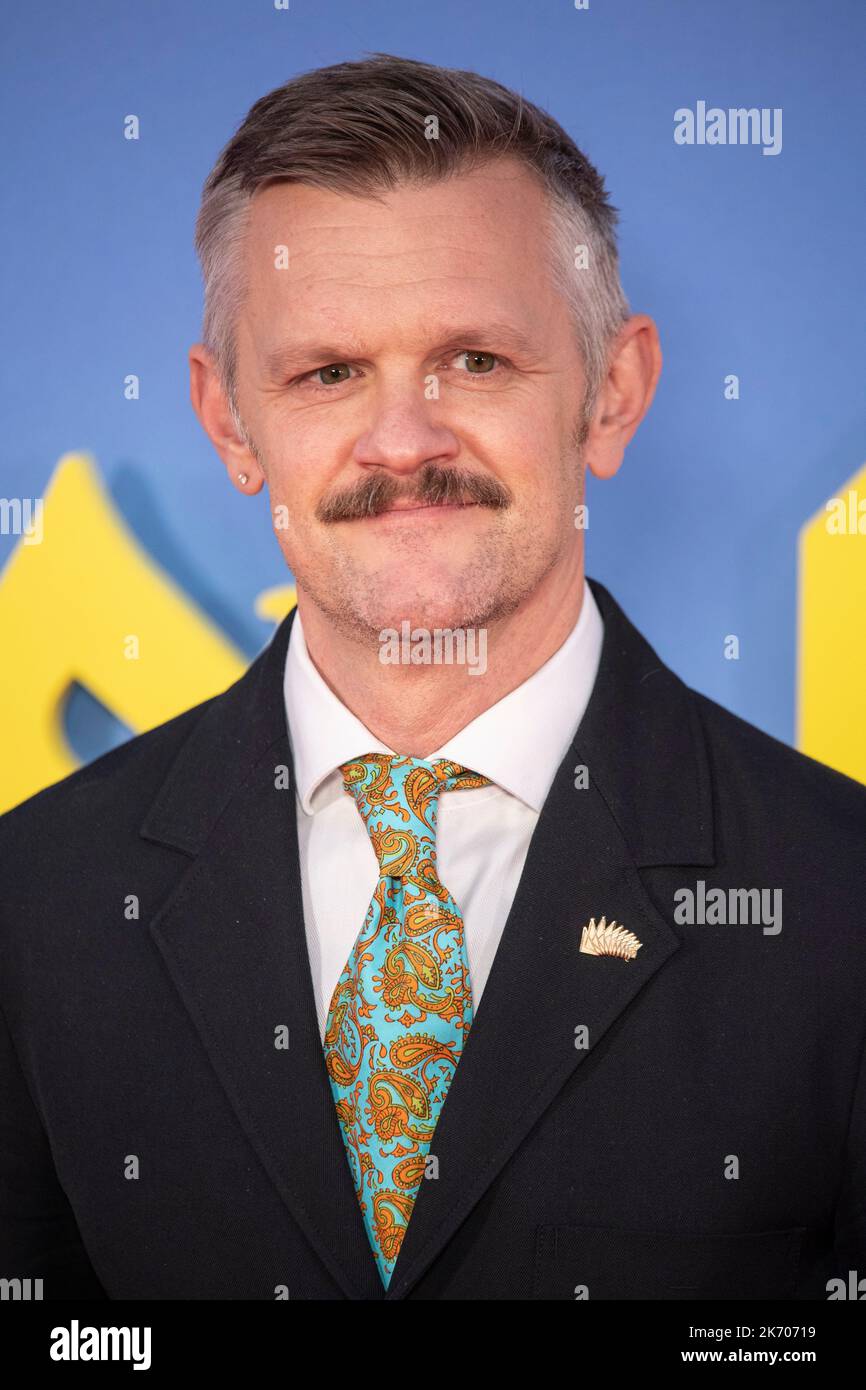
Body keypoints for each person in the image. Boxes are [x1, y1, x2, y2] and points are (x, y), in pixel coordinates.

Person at [1, 54, 864, 1302]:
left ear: (610, 394)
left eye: (473, 360)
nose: (403, 442)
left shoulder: (838, 903)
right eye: (328, 372)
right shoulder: (36, 907)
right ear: (232, 424)